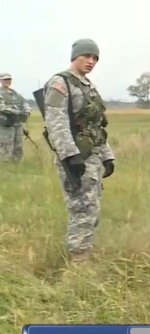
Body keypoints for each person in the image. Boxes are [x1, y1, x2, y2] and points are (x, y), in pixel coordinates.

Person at [43, 39, 115, 264]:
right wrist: (69, 155)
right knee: (82, 209)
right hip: (75, 158)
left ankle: (85, 253)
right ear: (75, 56)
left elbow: (95, 126)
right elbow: (56, 122)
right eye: (87, 56)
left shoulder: (88, 86)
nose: (91, 61)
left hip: (92, 156)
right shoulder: (60, 83)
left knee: (92, 208)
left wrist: (107, 155)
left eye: (95, 58)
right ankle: (79, 262)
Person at [0, 73, 31, 162]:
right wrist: (16, 112)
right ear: (0, 81)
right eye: (5, 79)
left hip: (17, 124)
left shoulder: (15, 93)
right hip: (6, 124)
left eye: (9, 79)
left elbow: (24, 103)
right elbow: (1, 108)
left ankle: (16, 165)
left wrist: (27, 111)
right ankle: (5, 166)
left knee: (18, 145)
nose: (7, 81)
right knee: (6, 145)